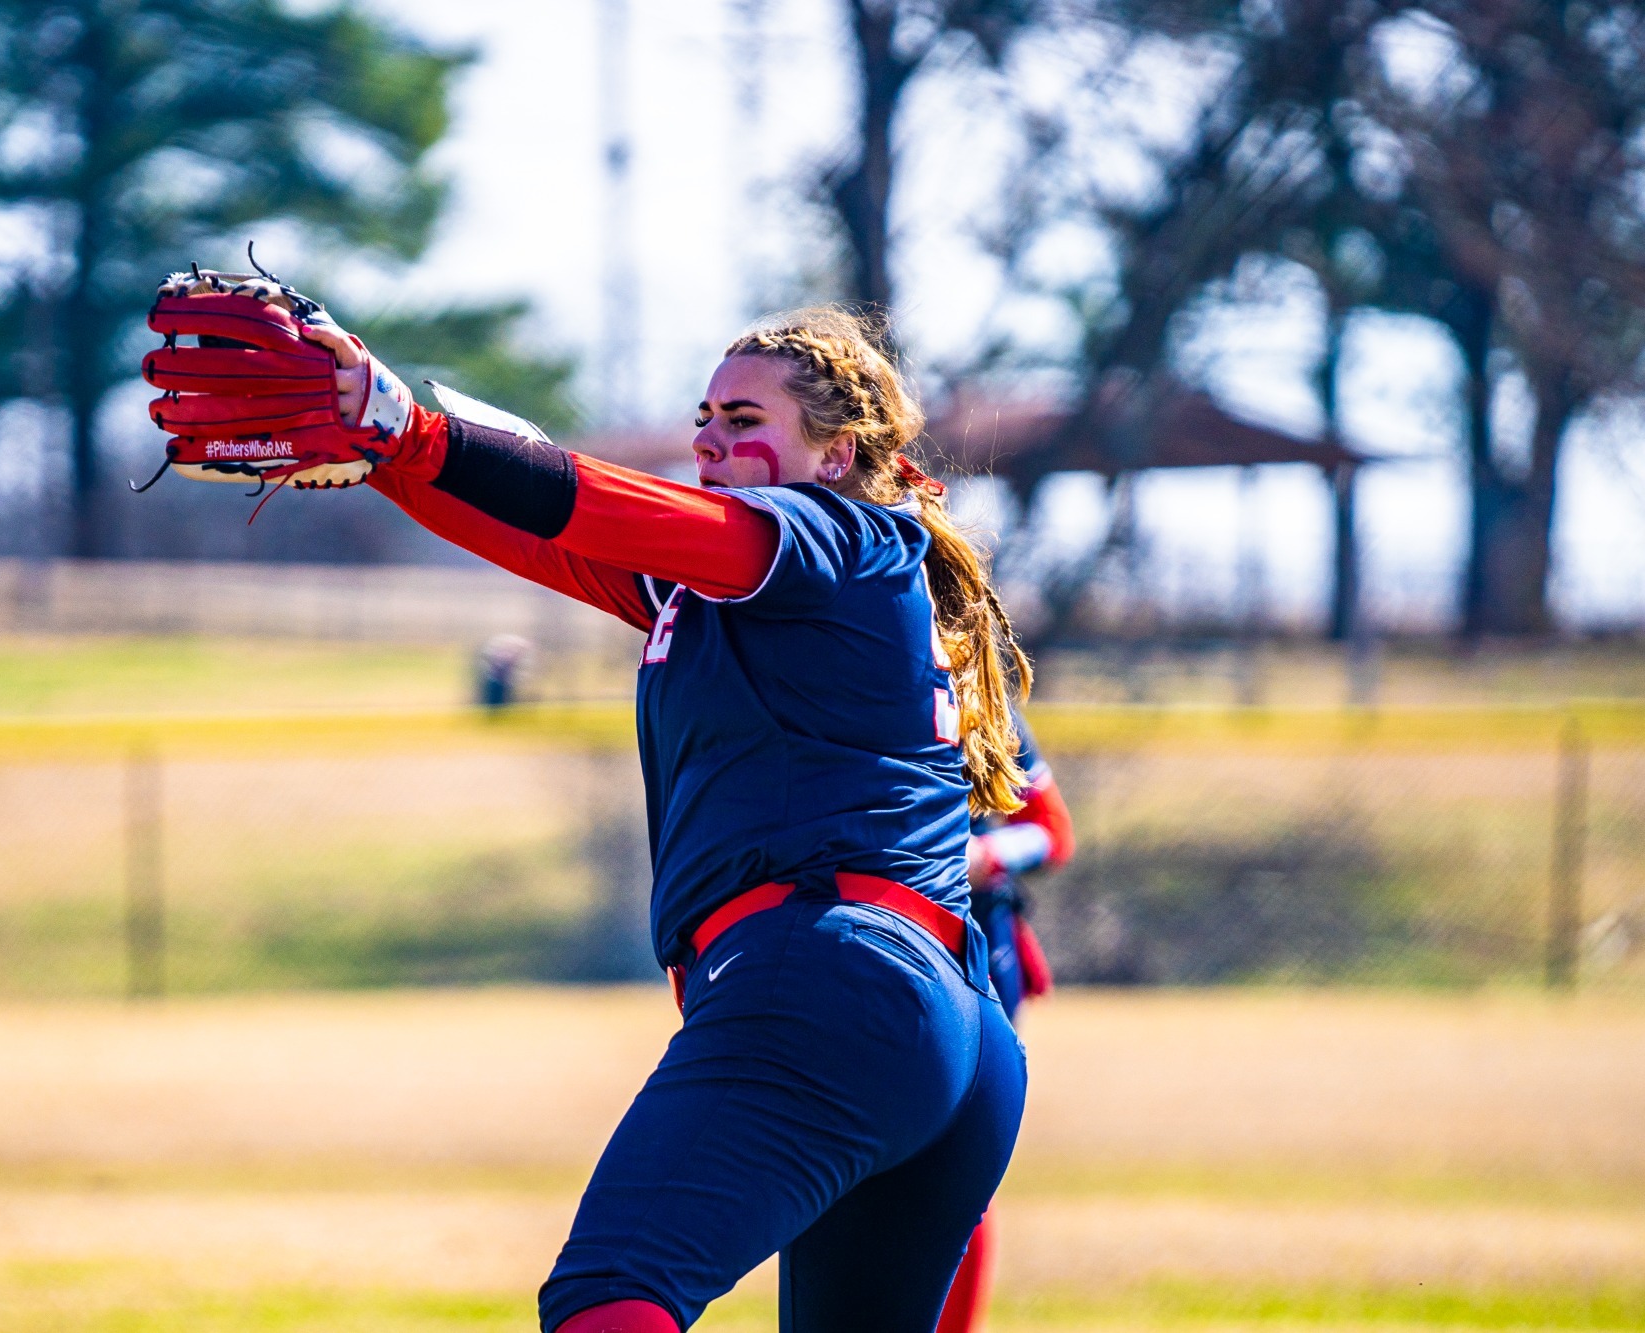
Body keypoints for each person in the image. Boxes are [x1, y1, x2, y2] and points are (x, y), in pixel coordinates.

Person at [144, 297, 1033, 1333]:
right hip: (947, 1027)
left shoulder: (826, 535)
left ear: (835, 454)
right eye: (704, 412)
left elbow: (619, 512)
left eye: (744, 419)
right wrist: (389, 456)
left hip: (830, 984)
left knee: (609, 1298)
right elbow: (548, 539)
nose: (708, 435)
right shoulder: (768, 583)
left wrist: (410, 426)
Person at [935, 711, 1074, 1333]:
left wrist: (988, 850)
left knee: (960, 1175)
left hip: (978, 952)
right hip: (864, 953)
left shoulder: (978, 697)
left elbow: (1052, 831)